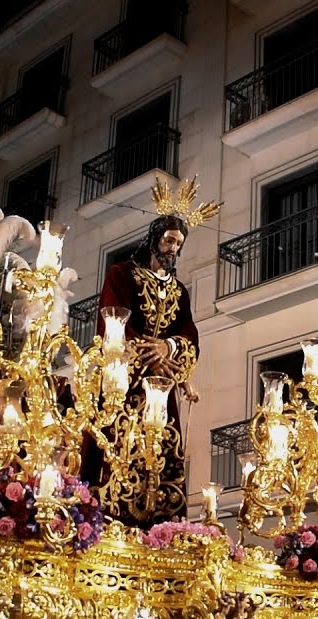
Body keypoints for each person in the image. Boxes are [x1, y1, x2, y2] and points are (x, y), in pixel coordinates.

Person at [79, 176, 218, 529]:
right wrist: (147, 351)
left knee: (164, 456)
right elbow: (113, 319)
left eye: (179, 243)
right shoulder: (122, 273)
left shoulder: (180, 291)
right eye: (169, 240)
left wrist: (168, 347)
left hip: (161, 386)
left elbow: (189, 333)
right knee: (117, 445)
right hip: (124, 381)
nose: (173, 248)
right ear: (155, 238)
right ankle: (107, 521)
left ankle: (161, 530)